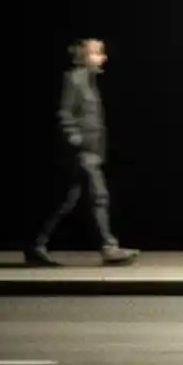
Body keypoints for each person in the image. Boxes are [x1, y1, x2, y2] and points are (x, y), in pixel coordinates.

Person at [26, 38, 139, 266]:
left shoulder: (89, 81)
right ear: (85, 56)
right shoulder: (74, 79)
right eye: (98, 53)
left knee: (66, 200)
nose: (103, 57)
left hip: (91, 150)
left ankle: (36, 245)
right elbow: (64, 112)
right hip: (81, 152)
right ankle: (108, 246)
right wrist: (73, 137)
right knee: (99, 195)